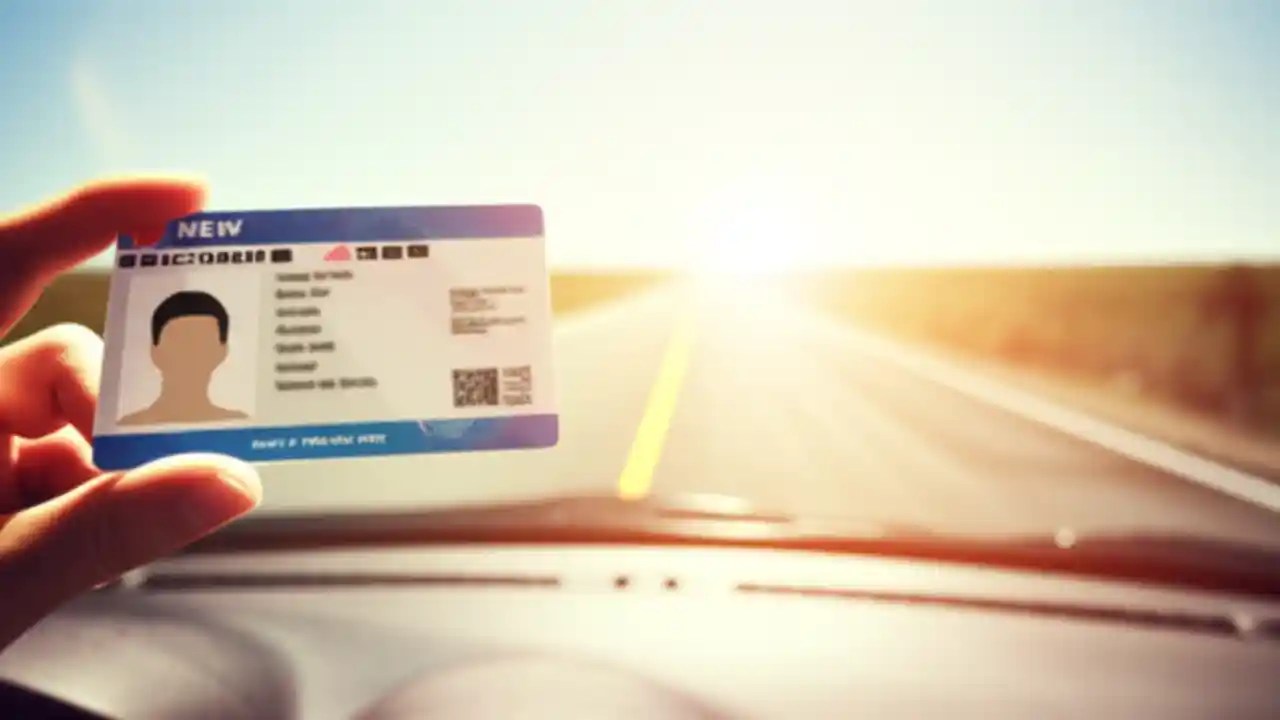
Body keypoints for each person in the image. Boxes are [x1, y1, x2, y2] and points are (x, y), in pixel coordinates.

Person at [0, 178, 262, 651]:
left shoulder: (243, 417)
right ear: (155, 349)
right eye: (180, 341)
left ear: (223, 350)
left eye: (205, 342)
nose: (193, 355)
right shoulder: (144, 430)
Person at [118, 290, 249, 426]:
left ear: (222, 351)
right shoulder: (129, 426)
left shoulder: (240, 424)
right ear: (155, 352)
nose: (191, 353)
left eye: (202, 341)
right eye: (179, 341)